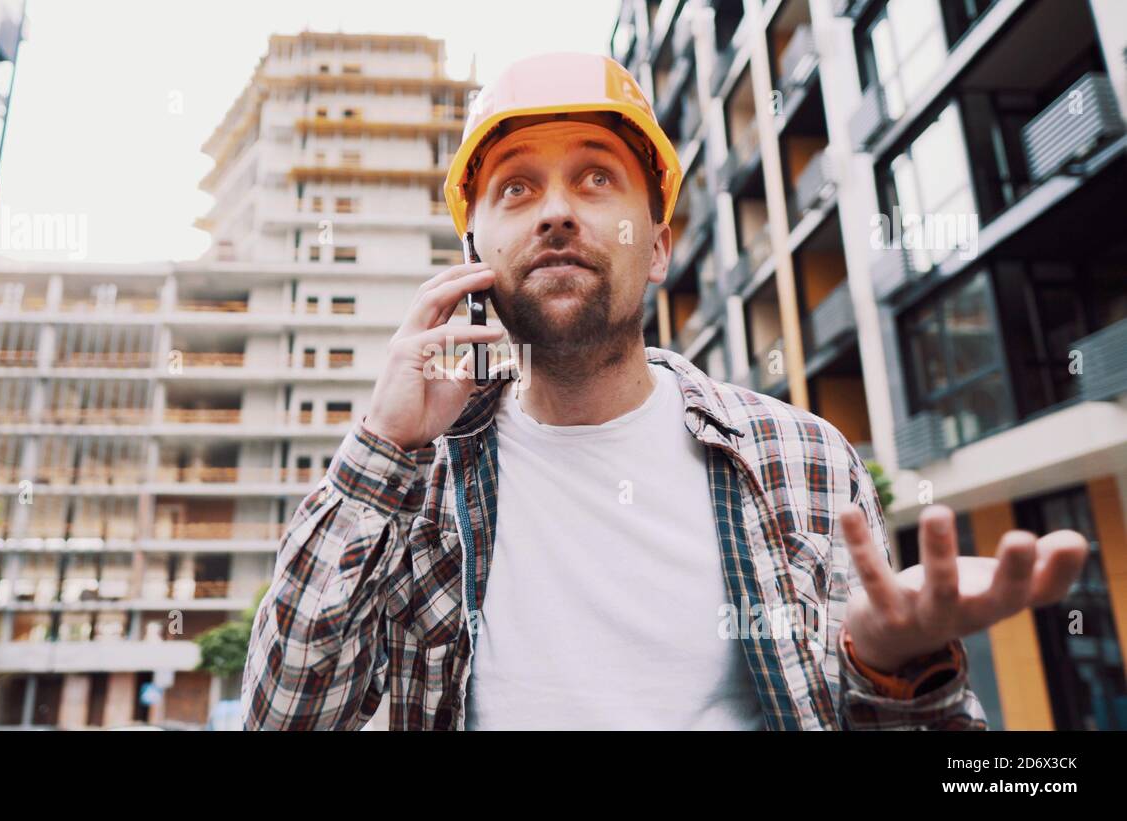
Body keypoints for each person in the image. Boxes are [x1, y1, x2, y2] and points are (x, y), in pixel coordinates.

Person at [242, 52, 1089, 730]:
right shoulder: (412, 478)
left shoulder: (801, 458)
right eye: (516, 187)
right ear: (474, 251)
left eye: (597, 178)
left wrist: (889, 665)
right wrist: (379, 450)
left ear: (657, 248)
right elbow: (283, 718)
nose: (556, 213)